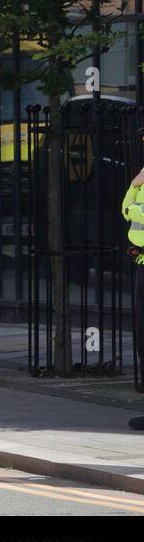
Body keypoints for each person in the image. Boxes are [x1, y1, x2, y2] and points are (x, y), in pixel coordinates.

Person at [123, 164, 144, 431]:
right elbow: (124, 206)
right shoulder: (140, 180)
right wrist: (135, 183)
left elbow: (130, 210)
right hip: (141, 262)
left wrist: (133, 210)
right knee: (142, 337)